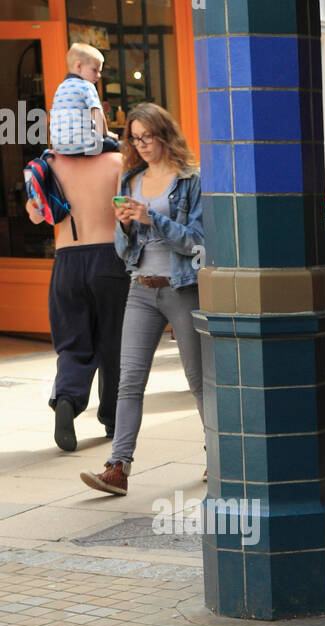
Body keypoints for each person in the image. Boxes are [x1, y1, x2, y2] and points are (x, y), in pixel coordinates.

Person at [81, 104, 204, 498]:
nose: (142, 144)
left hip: (181, 288)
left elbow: (196, 241)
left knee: (198, 381)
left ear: (164, 134)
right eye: (135, 138)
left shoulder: (190, 180)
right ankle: (118, 467)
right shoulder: (130, 179)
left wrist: (152, 218)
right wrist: (123, 227)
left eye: (147, 136)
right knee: (129, 382)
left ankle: (219, 456)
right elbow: (122, 250)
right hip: (140, 288)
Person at [25, 147, 128, 453]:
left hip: (67, 259)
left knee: (72, 341)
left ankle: (67, 400)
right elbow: (126, 213)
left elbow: (36, 215)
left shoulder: (49, 163)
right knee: (114, 343)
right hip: (109, 258)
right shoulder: (117, 161)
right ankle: (112, 417)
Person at [49, 43, 120, 155]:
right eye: (95, 70)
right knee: (117, 146)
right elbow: (97, 113)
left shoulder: (60, 88)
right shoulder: (86, 86)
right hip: (81, 144)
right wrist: (106, 134)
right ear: (79, 66)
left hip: (59, 145)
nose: (99, 75)